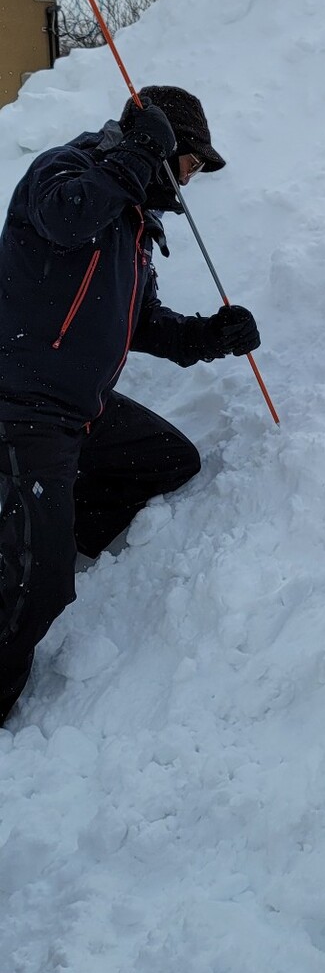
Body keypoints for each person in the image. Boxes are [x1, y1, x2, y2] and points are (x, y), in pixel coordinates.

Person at [0, 85, 261, 725]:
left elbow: (143, 324)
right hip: (20, 407)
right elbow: (67, 216)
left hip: (78, 411)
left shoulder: (134, 223)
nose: (192, 177)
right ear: (159, 146)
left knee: (168, 458)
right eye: (191, 160)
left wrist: (211, 336)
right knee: (39, 590)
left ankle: (48, 535)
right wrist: (134, 159)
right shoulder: (68, 171)